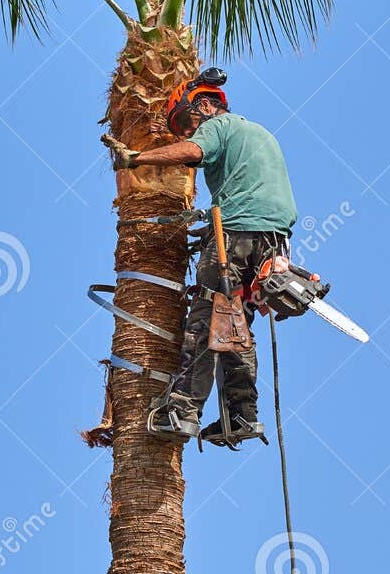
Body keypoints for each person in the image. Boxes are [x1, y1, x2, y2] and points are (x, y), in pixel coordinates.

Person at [105, 72, 297, 446]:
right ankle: (242, 415)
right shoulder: (259, 133)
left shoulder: (219, 125)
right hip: (273, 244)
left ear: (205, 105)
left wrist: (136, 158)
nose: (188, 133)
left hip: (235, 235)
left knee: (207, 318)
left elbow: (193, 153)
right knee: (235, 324)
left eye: (187, 124)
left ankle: (181, 410)